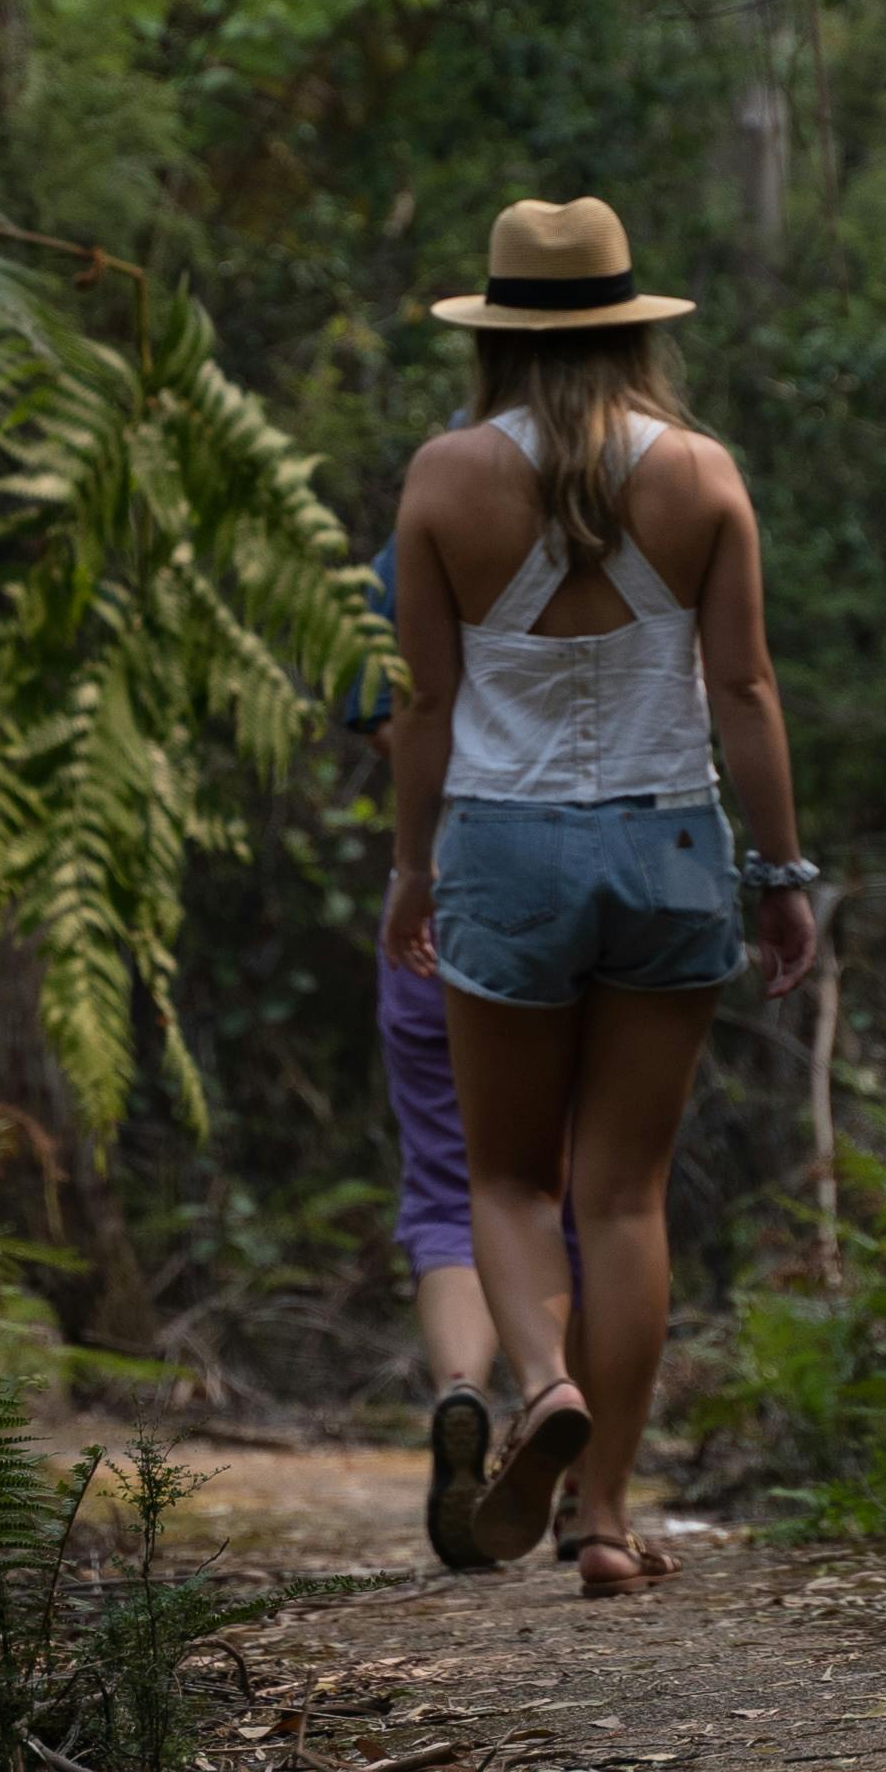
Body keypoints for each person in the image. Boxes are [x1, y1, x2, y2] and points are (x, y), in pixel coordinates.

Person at [381, 193, 825, 1598]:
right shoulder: (701, 475)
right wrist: (783, 875)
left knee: (511, 1179)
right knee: (626, 1198)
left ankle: (541, 1382)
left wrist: (410, 871)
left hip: (504, 852)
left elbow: (425, 704)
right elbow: (745, 691)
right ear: (636, 324)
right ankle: (609, 1519)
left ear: (496, 335)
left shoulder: (446, 478)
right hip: (670, 849)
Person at [345, 540, 573, 1574]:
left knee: (455, 1181)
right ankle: (563, 1427)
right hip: (584, 897)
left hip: (437, 899)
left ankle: (460, 1388)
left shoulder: (397, 562)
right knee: (576, 1184)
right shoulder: (619, 525)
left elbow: (391, 726)